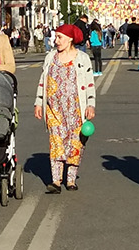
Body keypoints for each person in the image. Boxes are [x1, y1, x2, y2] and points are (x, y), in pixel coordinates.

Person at [33, 24, 96, 193]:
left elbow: (90, 84)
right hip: (54, 109)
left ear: (69, 39)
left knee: (76, 143)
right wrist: (38, 103)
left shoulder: (82, 58)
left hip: (76, 109)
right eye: (56, 37)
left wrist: (91, 105)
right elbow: (42, 81)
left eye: (59, 37)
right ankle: (56, 181)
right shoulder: (50, 57)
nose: (56, 41)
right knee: (56, 142)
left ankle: (70, 180)